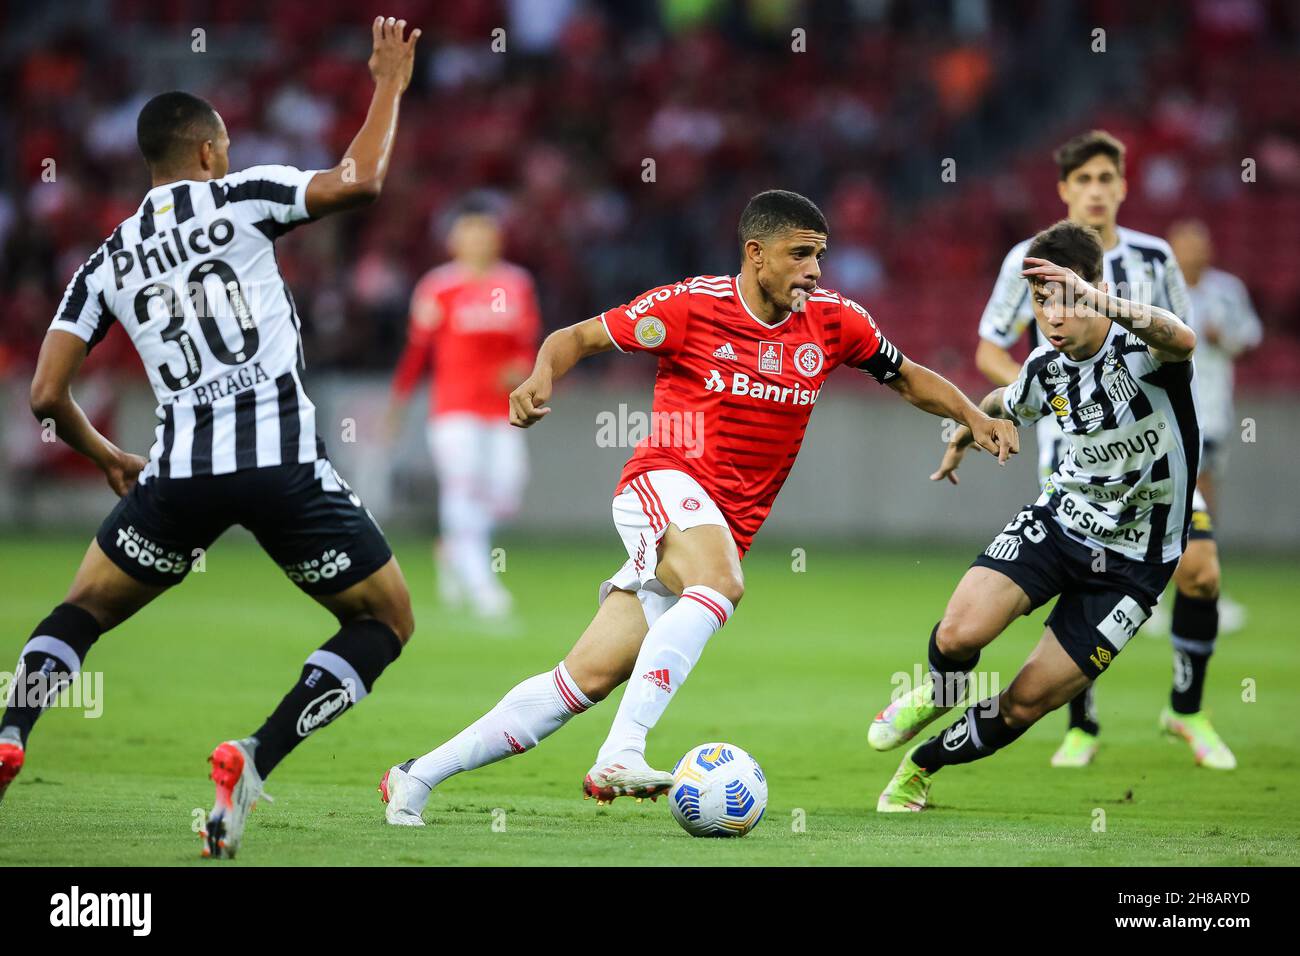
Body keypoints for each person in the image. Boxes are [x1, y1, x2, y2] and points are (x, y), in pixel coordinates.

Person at [378, 189, 1019, 825]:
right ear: (756, 253)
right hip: (662, 481)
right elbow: (577, 337)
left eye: (820, 256)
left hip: (723, 524)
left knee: (580, 683)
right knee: (719, 584)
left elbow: (906, 374)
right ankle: (621, 753)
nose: (814, 271)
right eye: (800, 255)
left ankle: (415, 777)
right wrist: (541, 375)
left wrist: (971, 413)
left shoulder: (834, 321)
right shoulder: (690, 307)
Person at [0, 17, 423, 858]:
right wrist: (388, 84)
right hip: (282, 468)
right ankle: (255, 758)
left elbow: (46, 392)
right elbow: (362, 181)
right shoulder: (241, 197)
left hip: (177, 475)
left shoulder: (108, 258)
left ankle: (12, 730)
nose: (226, 159)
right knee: (385, 623)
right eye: (222, 147)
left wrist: (104, 453)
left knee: (81, 609)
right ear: (204, 154)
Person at [871, 219, 1200, 811]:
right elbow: (1007, 401)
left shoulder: (1145, 353)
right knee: (958, 632)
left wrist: (1095, 297)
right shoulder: (1048, 368)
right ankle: (942, 688)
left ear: (1097, 290)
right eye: (1042, 301)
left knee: (1026, 701)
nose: (1052, 316)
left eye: (1068, 300)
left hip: (1136, 564)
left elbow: (1183, 339)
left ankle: (921, 767)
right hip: (1061, 523)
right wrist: (967, 430)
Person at [974, 130, 1234, 769]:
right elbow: (988, 346)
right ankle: (1082, 727)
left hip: (1153, 465)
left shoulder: (1153, 257)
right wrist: (1039, 395)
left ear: (1123, 187)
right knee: (1081, 583)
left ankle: (1187, 710)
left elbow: (1180, 339)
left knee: (1201, 573)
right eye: (1082, 180)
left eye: (1105, 179)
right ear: (1063, 190)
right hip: (1073, 463)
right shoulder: (1026, 261)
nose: (1094, 191)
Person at [387, 198, 541, 619]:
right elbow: (417, 352)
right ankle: (482, 585)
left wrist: (522, 370)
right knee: (463, 484)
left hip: (502, 407)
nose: (478, 240)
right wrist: (397, 403)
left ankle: (452, 547)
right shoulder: (438, 286)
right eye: (469, 232)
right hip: (453, 406)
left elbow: (526, 345)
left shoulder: (516, 284)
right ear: (454, 239)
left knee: (508, 489)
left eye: (485, 232)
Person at [1166, 219, 1261, 634]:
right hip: (1165, 410)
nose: (1195, 253)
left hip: (1212, 412)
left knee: (1201, 493)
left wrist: (1226, 338)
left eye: (1200, 245)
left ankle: (1199, 587)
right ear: (1172, 249)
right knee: (1163, 494)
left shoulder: (1228, 290)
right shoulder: (1158, 288)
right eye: (1186, 245)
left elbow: (1251, 335)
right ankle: (1158, 589)